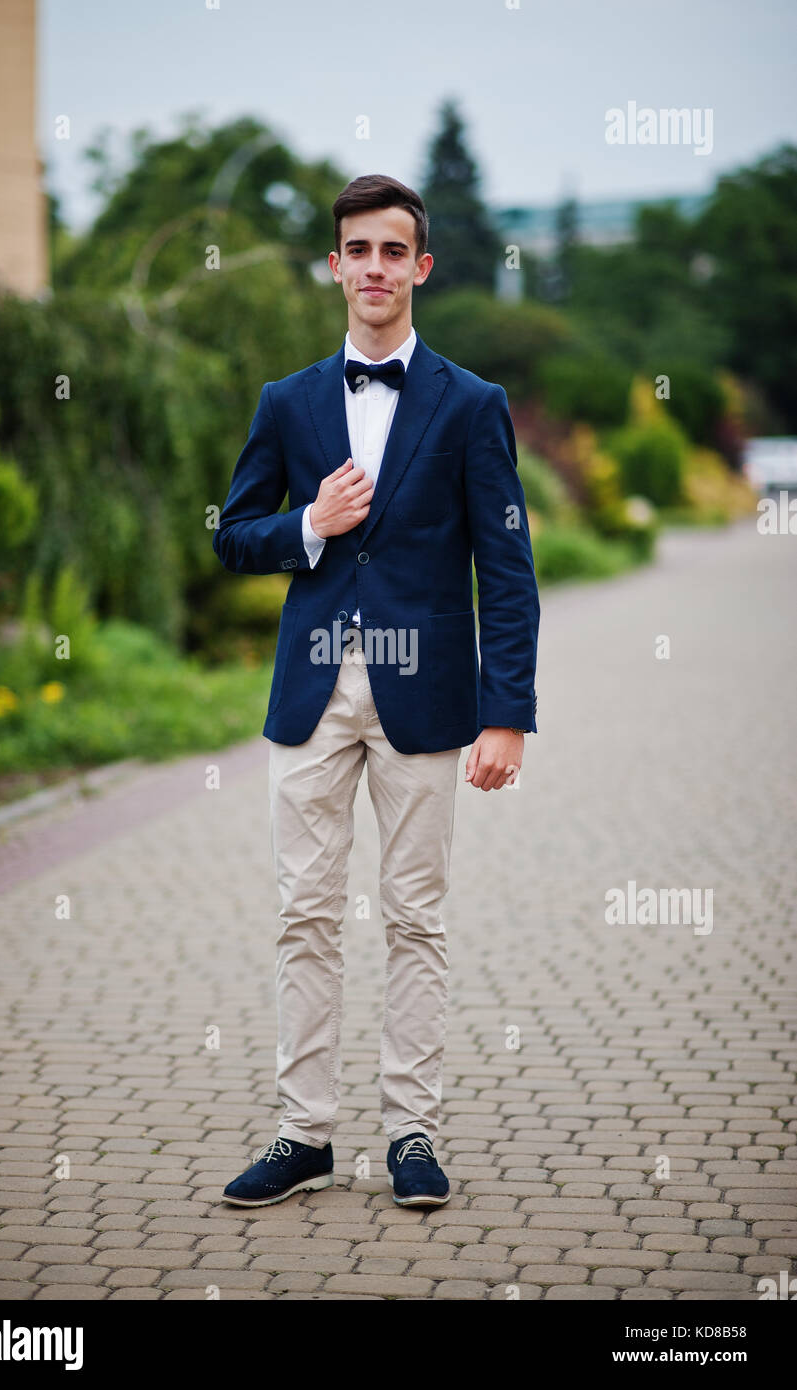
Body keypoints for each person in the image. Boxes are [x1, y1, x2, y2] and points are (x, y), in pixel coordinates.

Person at [213, 173, 539, 1208]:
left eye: (394, 252)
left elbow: (508, 567)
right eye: (358, 250)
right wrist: (310, 524)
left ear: (420, 267)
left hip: (428, 697)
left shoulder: (472, 403)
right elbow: (231, 536)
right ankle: (303, 1135)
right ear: (335, 264)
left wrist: (506, 714)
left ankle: (411, 1134)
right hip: (310, 697)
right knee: (302, 915)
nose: (375, 269)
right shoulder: (288, 401)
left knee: (415, 918)